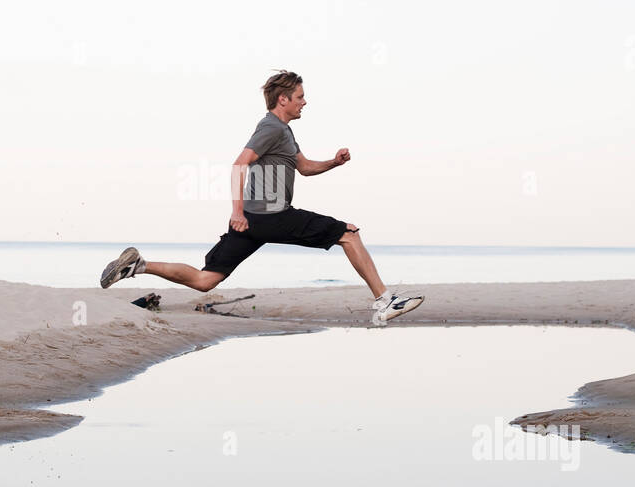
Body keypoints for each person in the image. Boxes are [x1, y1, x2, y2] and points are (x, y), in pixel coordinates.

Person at [100, 70, 424, 326]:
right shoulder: (271, 127)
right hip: (270, 215)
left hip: (256, 221)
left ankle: (138, 266)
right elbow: (239, 164)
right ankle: (384, 301)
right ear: (283, 99)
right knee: (348, 234)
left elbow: (305, 168)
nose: (304, 102)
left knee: (205, 280)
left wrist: (333, 162)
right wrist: (236, 212)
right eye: (300, 97)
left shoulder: (283, 131)